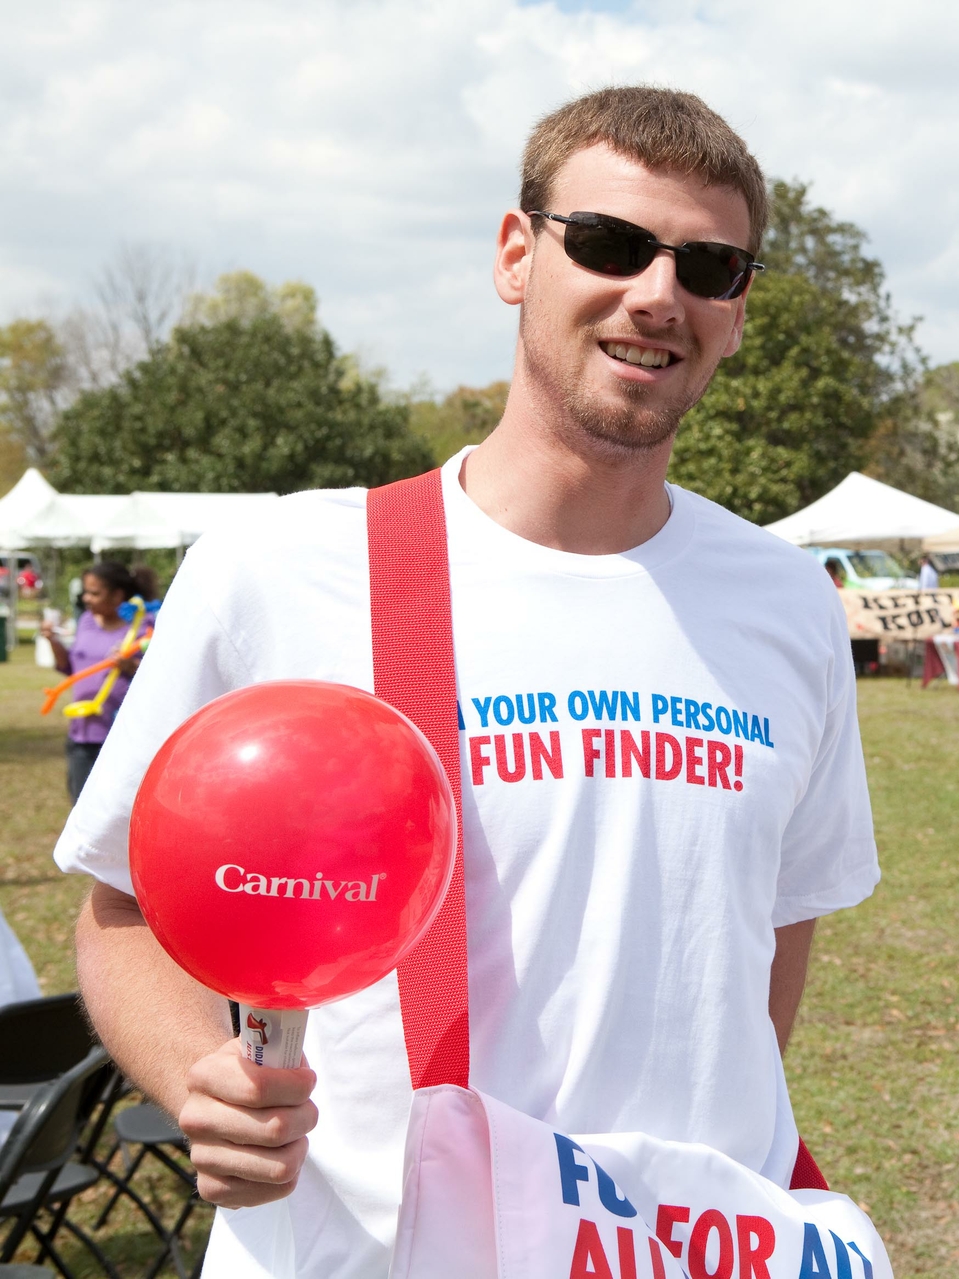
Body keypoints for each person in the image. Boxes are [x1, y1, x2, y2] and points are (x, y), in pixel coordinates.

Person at [56, 87, 879, 1279]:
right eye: (609, 243)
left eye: (709, 265)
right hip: (363, 1252)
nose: (659, 293)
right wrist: (205, 1081)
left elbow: (767, 936)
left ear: (738, 309)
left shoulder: (789, 603)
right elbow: (123, 908)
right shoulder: (285, 571)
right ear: (516, 254)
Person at [40, 561, 157, 801]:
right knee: (81, 806)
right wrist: (52, 641)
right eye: (86, 592)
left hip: (122, 737)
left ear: (117, 595)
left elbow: (159, 676)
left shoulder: (143, 626)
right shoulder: (86, 621)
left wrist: (130, 666)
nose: (87, 598)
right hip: (82, 735)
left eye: (95, 593)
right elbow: (71, 668)